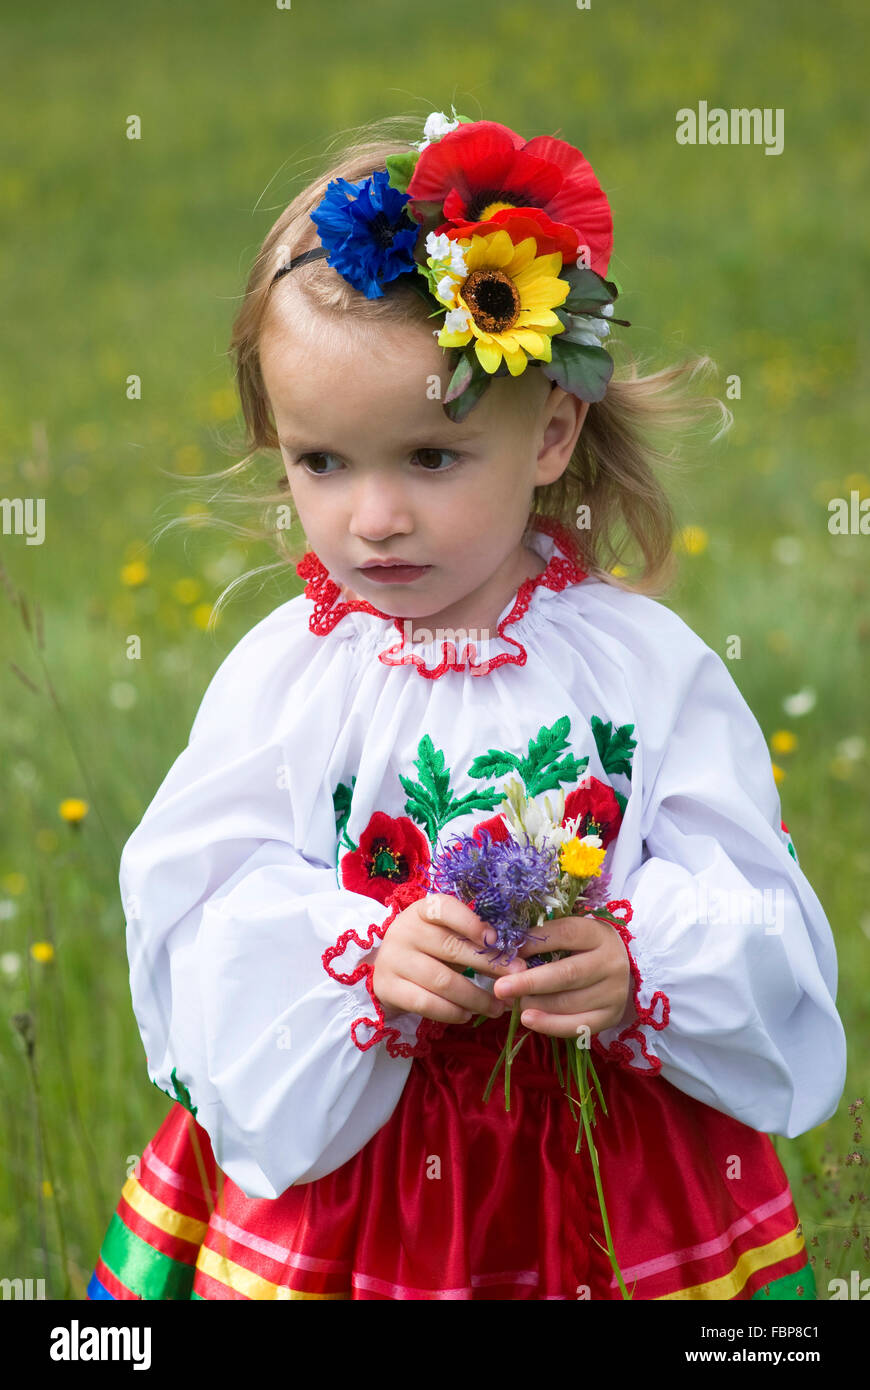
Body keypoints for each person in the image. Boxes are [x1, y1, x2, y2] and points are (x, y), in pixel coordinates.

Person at [87, 110, 846, 1302]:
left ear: (549, 430)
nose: (372, 517)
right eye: (322, 462)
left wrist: (632, 963)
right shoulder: (289, 678)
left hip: (603, 1173)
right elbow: (196, 908)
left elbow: (761, 907)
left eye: (430, 460)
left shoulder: (643, 668)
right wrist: (359, 961)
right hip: (361, 1187)